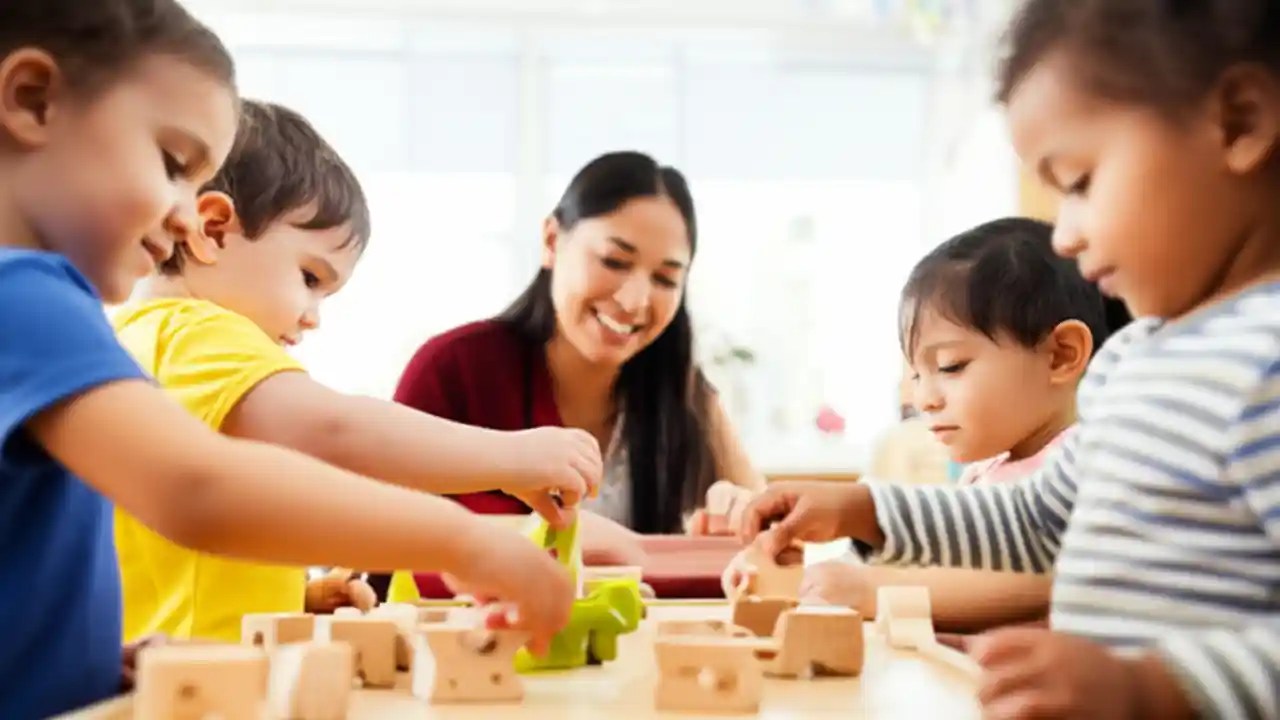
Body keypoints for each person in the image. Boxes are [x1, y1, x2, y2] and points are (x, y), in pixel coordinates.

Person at [0, 3, 570, 715]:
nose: (186, 212)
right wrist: (465, 540)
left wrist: (88, 658)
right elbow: (198, 488)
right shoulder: (30, 298)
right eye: (173, 164)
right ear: (32, 102)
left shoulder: (52, 317)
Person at [737, 1, 1280, 717]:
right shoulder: (1135, 363)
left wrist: (1153, 688)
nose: (1066, 235)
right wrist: (866, 509)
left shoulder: (1263, 364)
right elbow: (1034, 522)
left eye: (1080, 182)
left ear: (1237, 122)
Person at [112, 99, 602, 643]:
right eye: (309, 277)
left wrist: (293, 594)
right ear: (214, 229)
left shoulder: (146, 340)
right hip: (195, 687)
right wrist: (514, 457)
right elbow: (334, 430)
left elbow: (182, 551)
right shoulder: (193, 332)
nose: (312, 316)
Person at [388, 151, 764, 594]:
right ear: (551, 240)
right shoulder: (453, 369)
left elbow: (773, 555)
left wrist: (743, 526)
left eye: (665, 279)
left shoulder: (685, 396)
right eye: (614, 261)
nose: (634, 300)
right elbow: (377, 547)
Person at [798, 217, 1114, 632]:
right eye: (915, 375)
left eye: (951, 366)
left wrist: (872, 590)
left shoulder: (1086, 464)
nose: (922, 398)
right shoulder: (990, 469)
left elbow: (1041, 578)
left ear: (1059, 355)